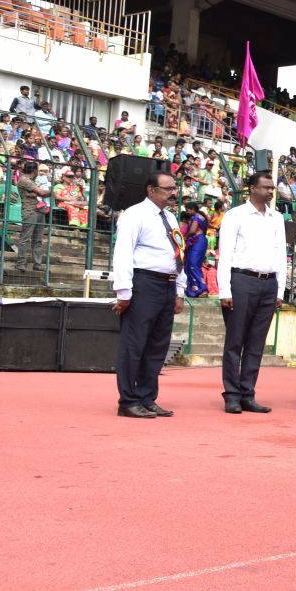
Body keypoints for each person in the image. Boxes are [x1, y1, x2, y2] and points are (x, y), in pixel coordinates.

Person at [110, 172, 186, 418]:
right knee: (135, 344)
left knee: (157, 345)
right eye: (167, 189)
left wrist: (180, 290)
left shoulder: (171, 217)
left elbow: (179, 253)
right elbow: (123, 252)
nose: (173, 193)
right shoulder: (135, 214)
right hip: (143, 282)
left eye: (175, 188)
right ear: (151, 190)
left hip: (167, 284)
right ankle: (128, 400)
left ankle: (147, 397)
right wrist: (124, 291)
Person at [216, 171, 287, 415]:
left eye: (272, 188)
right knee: (235, 341)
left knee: (256, 343)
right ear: (252, 189)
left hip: (268, 284)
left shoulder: (276, 218)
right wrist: (224, 289)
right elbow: (224, 254)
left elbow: (281, 255)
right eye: (266, 187)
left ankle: (248, 393)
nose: (270, 191)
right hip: (241, 280)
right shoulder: (235, 215)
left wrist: (280, 289)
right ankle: (232, 395)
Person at [12, 160, 51, 275]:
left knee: (37, 240)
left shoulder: (32, 181)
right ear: (34, 170)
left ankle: (37, 264)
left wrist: (42, 192)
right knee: (25, 238)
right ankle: (21, 263)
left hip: (39, 210)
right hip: (30, 211)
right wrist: (51, 190)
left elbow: (39, 193)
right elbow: (42, 193)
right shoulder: (24, 180)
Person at [182, 201, 209, 297]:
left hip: (197, 241)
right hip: (200, 241)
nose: (187, 212)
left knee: (192, 264)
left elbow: (193, 231)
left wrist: (185, 237)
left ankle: (201, 288)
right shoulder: (201, 216)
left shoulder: (196, 217)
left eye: (188, 210)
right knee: (192, 264)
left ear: (193, 209)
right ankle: (195, 289)